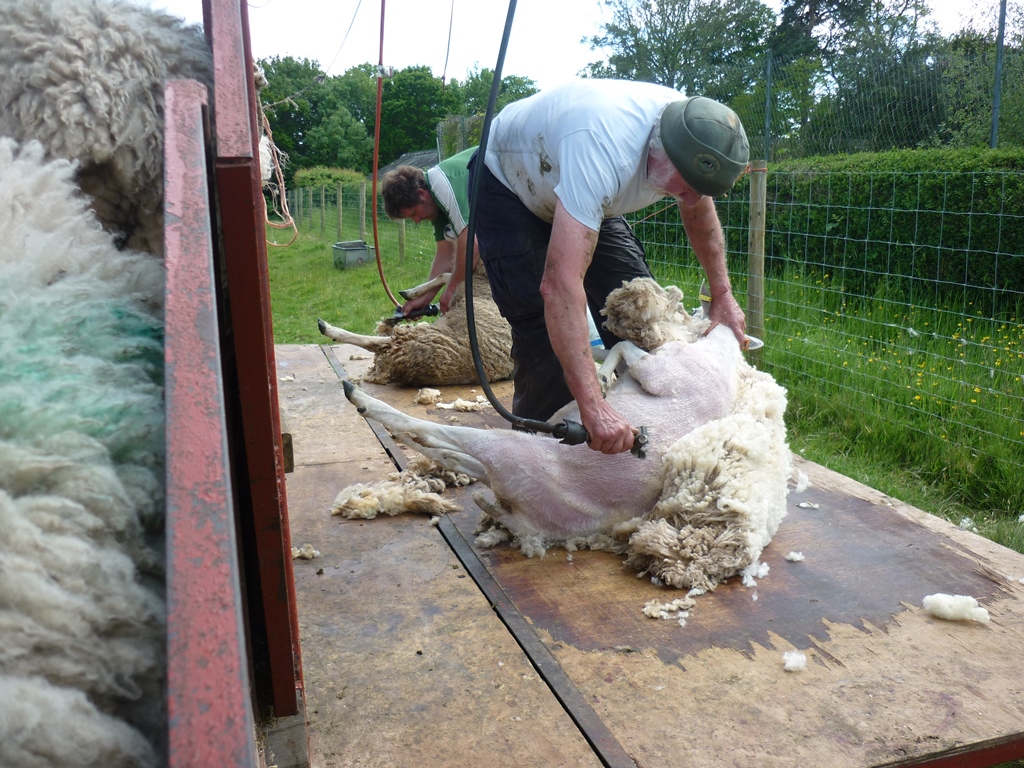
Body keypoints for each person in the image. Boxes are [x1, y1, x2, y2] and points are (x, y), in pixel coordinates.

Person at [469, 78, 750, 456]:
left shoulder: (694, 133)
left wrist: (723, 294)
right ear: (660, 150)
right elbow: (561, 284)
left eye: (700, 190)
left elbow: (698, 212)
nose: (690, 199)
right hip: (509, 184)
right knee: (541, 332)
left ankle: (646, 440)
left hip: (587, 194)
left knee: (640, 312)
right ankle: (540, 460)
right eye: (684, 186)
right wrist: (592, 406)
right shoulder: (604, 149)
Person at [381, 146, 478, 316]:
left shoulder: (443, 186)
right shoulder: (436, 206)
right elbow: (446, 255)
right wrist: (424, 298)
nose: (417, 221)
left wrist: (452, 288)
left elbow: (472, 244)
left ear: (421, 194)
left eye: (414, 214)